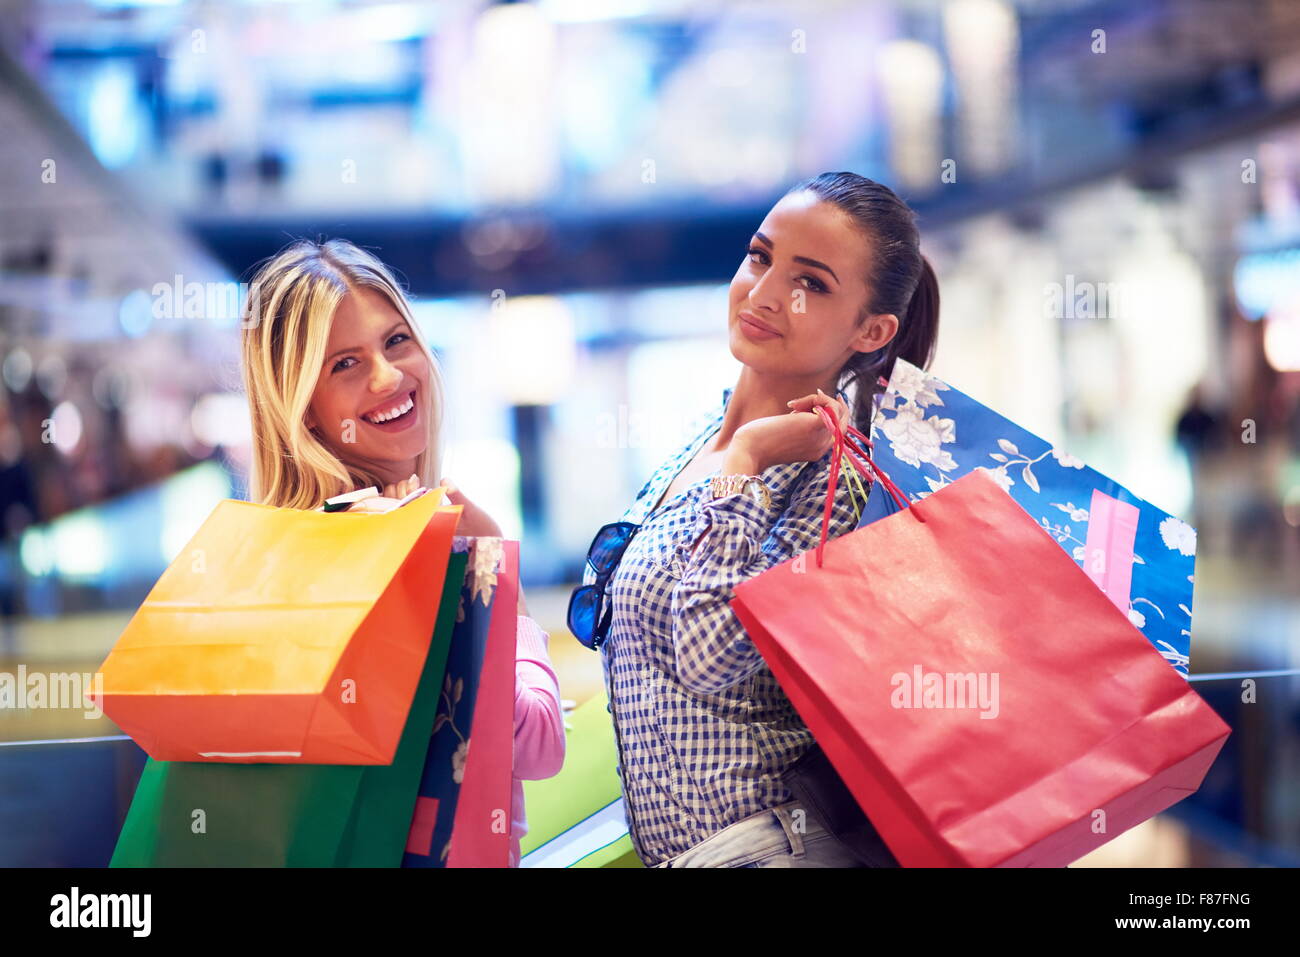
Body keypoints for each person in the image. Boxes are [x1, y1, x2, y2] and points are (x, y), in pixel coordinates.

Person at [574, 171, 939, 868]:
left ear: (873, 330)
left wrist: (748, 458)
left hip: (771, 849)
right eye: (759, 256)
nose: (766, 292)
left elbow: (712, 654)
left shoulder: (839, 483)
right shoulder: (698, 440)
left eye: (814, 283)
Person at [239, 238, 564, 867]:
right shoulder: (403, 548)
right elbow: (535, 740)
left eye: (395, 342)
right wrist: (496, 564)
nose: (389, 376)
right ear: (301, 410)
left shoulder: (273, 553)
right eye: (344, 365)